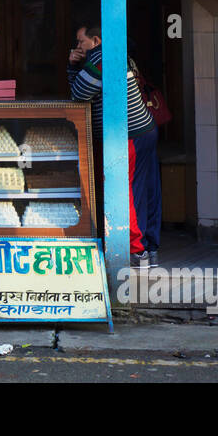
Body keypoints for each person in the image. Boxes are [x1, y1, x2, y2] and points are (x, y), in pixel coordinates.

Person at [67, 21, 159, 268]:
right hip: (142, 130)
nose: (77, 46)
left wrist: (72, 65)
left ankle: (136, 252)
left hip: (128, 134)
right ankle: (149, 249)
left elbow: (78, 94)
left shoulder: (100, 61)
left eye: (81, 41)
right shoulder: (114, 55)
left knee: (126, 191)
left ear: (95, 41)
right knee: (145, 190)